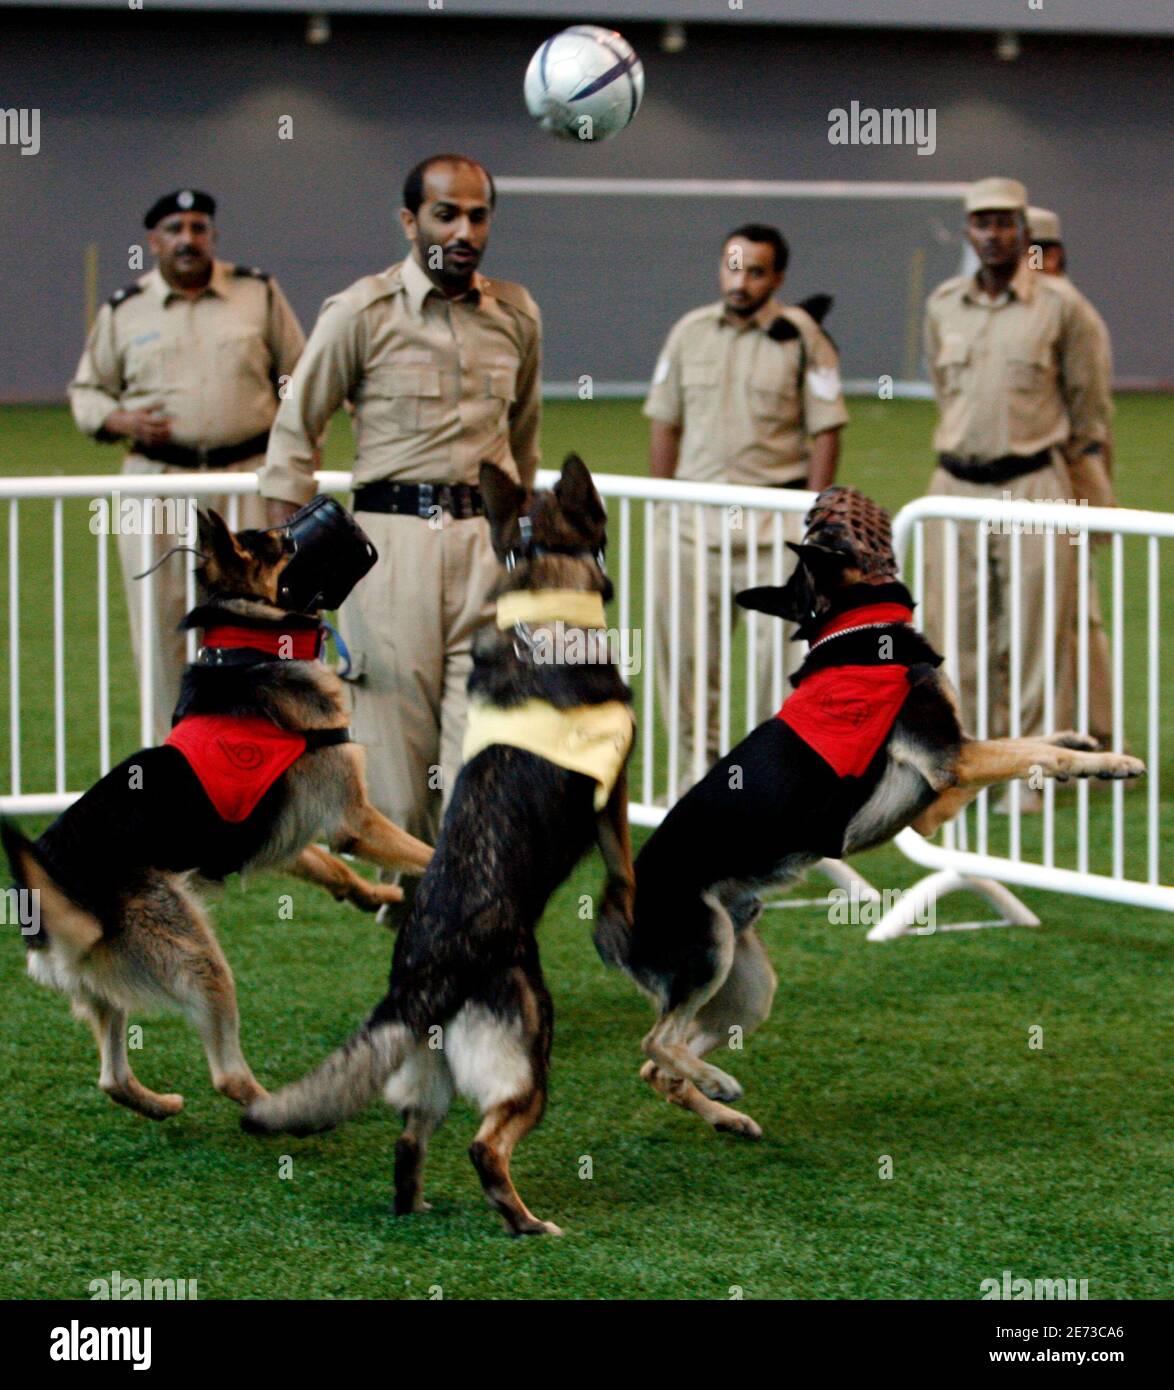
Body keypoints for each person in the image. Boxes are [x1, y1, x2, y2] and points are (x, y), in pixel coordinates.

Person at [257, 154, 541, 901]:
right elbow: (293, 440)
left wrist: (523, 559)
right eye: (447, 213)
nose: (465, 229)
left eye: (479, 214)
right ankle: (415, 950)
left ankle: (467, 953)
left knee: (481, 770)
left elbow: (524, 445)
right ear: (411, 220)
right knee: (397, 787)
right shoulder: (360, 311)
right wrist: (290, 581)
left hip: (487, 556)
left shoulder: (517, 314)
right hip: (388, 561)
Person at [69, 189, 305, 740]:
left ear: (213, 236)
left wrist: (294, 460)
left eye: (199, 227)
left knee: (254, 619)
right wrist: (119, 420)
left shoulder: (258, 293)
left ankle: (257, 751)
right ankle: (173, 755)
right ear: (154, 242)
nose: (187, 239)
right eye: (174, 229)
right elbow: (86, 393)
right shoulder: (125, 310)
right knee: (160, 624)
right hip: (157, 485)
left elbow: (301, 376)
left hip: (245, 475)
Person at [922, 178, 1113, 794]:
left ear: (1024, 233)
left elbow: (1089, 413)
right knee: (959, 639)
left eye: (1007, 223)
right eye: (983, 223)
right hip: (954, 487)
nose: (995, 234)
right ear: (968, 232)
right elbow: (947, 391)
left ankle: (1033, 775)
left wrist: (1090, 501)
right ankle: (977, 770)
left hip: (1032, 484)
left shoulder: (1062, 307)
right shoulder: (944, 305)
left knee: (1034, 640)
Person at [643, 223, 848, 791]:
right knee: (683, 659)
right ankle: (693, 775)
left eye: (755, 271)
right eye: (732, 267)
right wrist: (663, 505)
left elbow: (825, 430)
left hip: (771, 521)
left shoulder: (804, 336)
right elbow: (666, 421)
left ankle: (765, 781)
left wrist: (814, 521)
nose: (741, 281)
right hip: (691, 523)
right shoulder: (688, 333)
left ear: (777, 277)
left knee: (773, 668)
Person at [1028, 206, 1116, 744]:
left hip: (1064, 481)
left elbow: (1089, 421)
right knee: (1058, 620)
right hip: (1046, 485)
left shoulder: (1070, 312)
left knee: (1070, 621)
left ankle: (1096, 740)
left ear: (1050, 254)